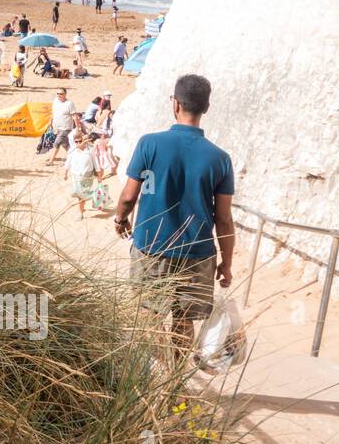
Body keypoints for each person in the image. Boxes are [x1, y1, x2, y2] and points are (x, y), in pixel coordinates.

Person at [114, 74, 236, 356]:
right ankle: (176, 383)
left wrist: (120, 219)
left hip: (152, 248)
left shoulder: (149, 144)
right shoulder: (220, 158)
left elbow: (129, 196)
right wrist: (226, 263)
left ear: (175, 104)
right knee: (184, 320)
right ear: (206, 107)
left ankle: (153, 376)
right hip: (198, 252)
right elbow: (224, 219)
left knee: (149, 315)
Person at [64, 131, 98, 219]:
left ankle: (81, 214)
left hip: (87, 175)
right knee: (80, 194)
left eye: (80, 141)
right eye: (76, 142)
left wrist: (99, 174)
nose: (78, 143)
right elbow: (68, 162)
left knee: (80, 195)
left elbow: (95, 162)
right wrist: (65, 173)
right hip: (75, 175)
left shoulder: (90, 149)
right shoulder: (72, 150)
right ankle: (83, 207)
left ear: (83, 140)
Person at [47, 88, 79, 165]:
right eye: (57, 93)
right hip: (57, 127)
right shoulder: (55, 101)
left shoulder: (69, 104)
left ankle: (51, 160)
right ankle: (75, 157)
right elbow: (54, 113)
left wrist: (78, 128)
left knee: (57, 143)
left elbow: (74, 116)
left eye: (61, 94)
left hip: (65, 127)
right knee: (66, 145)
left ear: (65, 94)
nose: (59, 95)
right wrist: (50, 122)